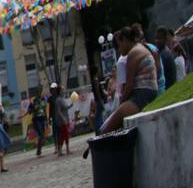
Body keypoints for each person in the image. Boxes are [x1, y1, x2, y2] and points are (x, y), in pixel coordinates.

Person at [87, 25, 160, 155]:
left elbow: (129, 85)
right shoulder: (142, 48)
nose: (119, 50)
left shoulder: (133, 53)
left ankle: (102, 153)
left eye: (119, 45)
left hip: (142, 94)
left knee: (109, 125)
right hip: (149, 91)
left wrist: (122, 104)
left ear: (125, 40)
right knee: (115, 121)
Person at [49, 83, 71, 156]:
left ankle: (64, 150)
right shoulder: (58, 100)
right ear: (60, 91)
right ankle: (61, 151)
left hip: (65, 119)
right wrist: (63, 118)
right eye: (62, 90)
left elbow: (65, 108)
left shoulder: (62, 99)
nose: (63, 91)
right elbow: (58, 111)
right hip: (61, 121)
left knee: (65, 135)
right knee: (64, 135)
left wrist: (70, 106)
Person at [26, 86, 48, 157]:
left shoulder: (44, 99)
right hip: (36, 119)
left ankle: (39, 150)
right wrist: (34, 108)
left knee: (42, 136)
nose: (40, 92)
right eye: (39, 91)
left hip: (42, 118)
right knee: (41, 135)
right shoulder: (34, 100)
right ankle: (39, 151)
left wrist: (46, 119)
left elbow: (44, 110)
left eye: (41, 91)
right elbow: (29, 110)